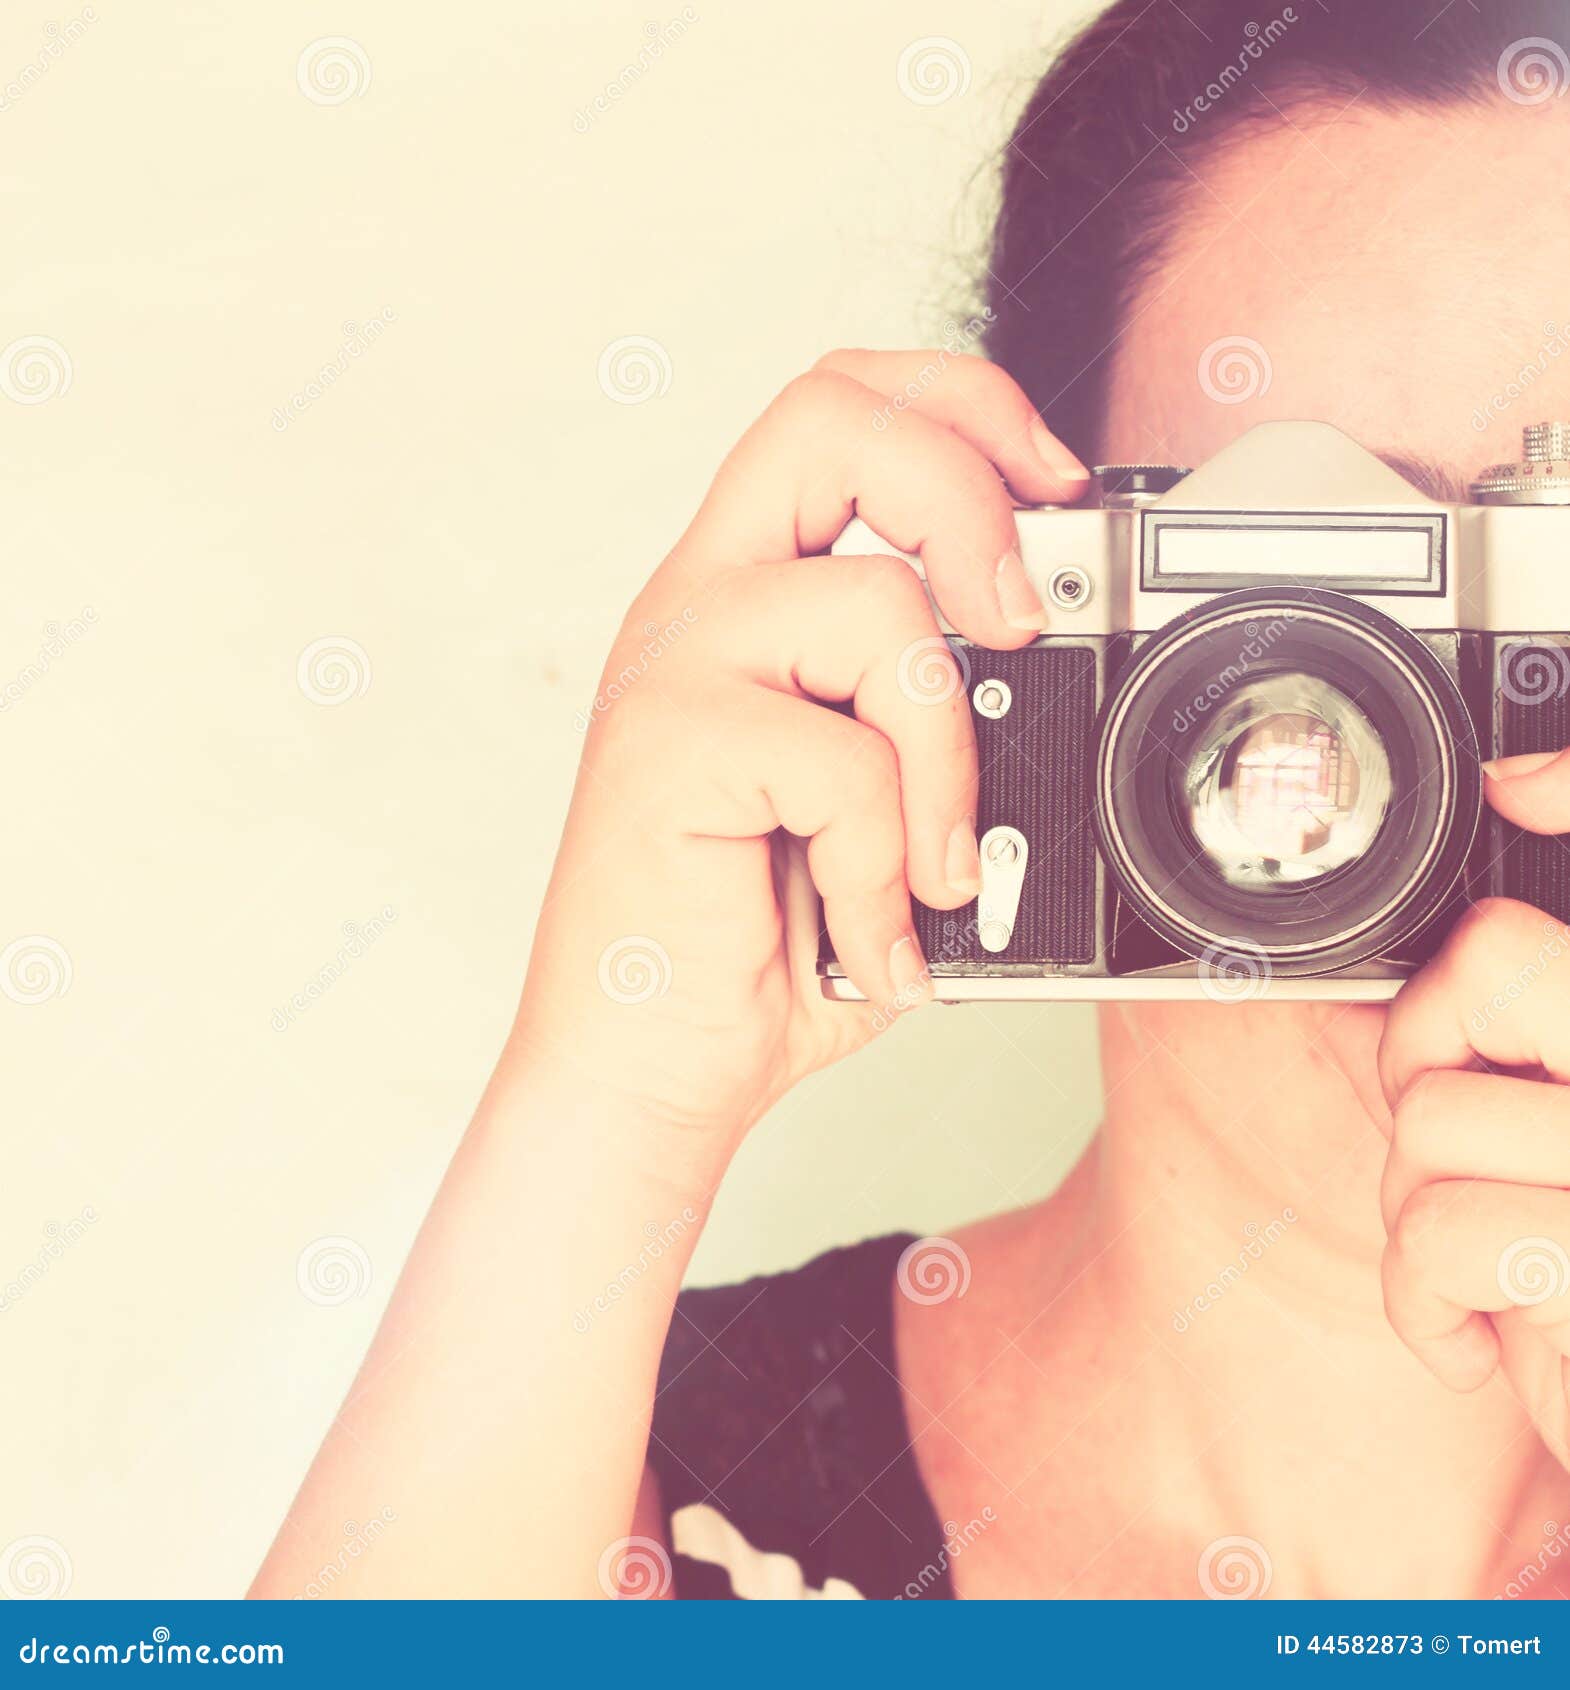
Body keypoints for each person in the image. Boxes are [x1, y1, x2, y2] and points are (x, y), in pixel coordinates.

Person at [251, 0, 1570, 1599]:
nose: (1396, 760)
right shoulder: (608, 1481)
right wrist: (616, 1094)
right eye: (1289, 605)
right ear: (1021, 600)